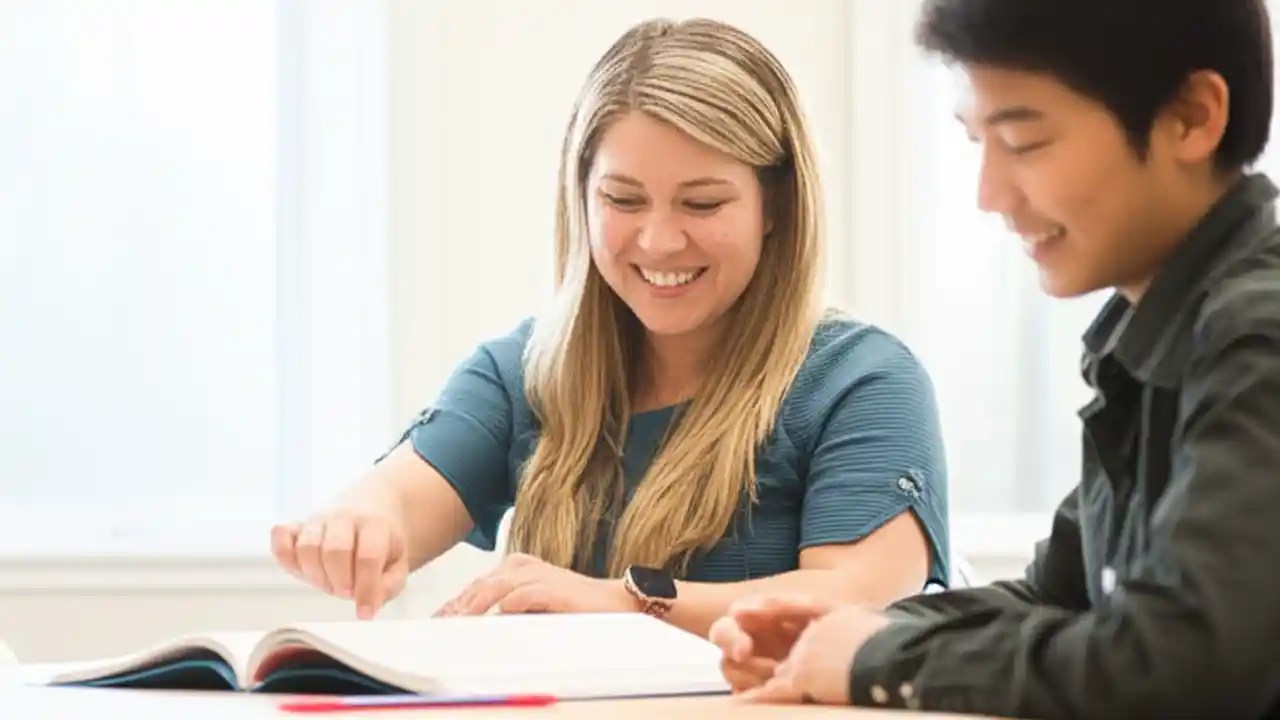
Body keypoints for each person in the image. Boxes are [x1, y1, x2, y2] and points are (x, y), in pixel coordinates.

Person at [270, 17, 951, 639]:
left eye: (703, 202)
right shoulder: (523, 371)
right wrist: (360, 524)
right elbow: (398, 496)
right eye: (623, 200)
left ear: (775, 206)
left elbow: (856, 598)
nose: (658, 241)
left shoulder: (863, 381)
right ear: (582, 195)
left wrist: (625, 600)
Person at [711, 0, 1280, 716]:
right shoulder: (1158, 336)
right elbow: (1057, 597)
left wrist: (880, 660)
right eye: (978, 142)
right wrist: (853, 633)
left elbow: (1184, 662)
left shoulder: (1256, 337)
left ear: (1192, 117)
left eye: (1026, 142)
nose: (990, 196)